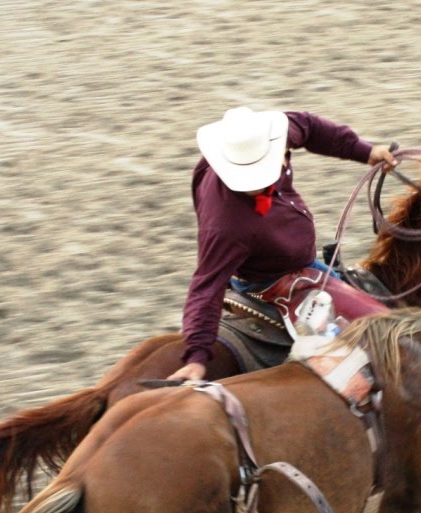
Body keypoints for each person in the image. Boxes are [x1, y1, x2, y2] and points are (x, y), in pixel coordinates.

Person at [168, 107, 397, 381]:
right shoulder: (226, 225)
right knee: (382, 331)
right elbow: (207, 284)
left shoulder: (272, 136)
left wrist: (365, 152)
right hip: (274, 281)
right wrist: (196, 357)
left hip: (284, 257)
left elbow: (310, 127)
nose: (256, 183)